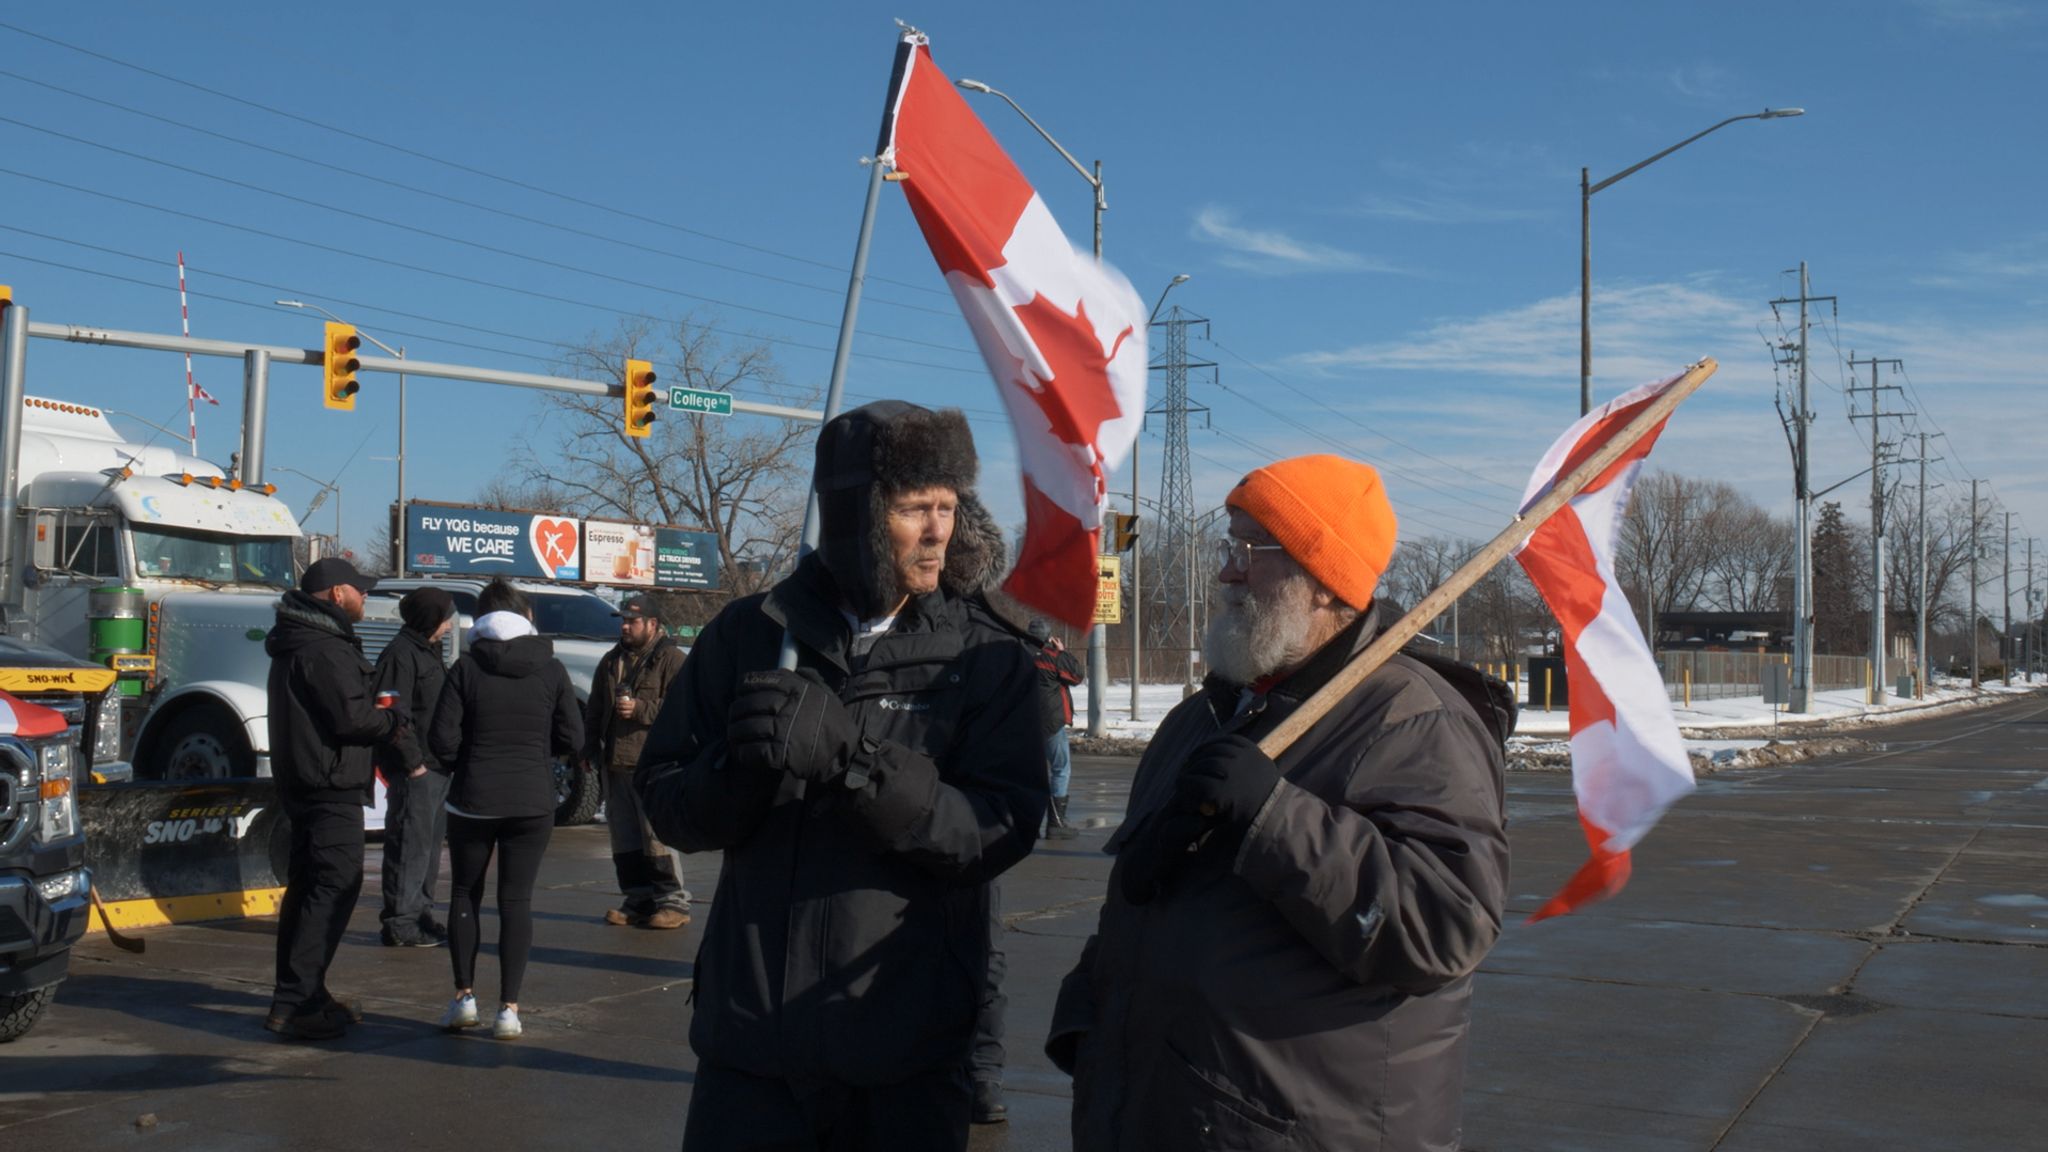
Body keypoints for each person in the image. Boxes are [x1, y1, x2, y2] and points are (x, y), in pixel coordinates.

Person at [1048, 454, 1515, 1151]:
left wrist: (1276, 819)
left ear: (1327, 583)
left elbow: (1443, 925)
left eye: (1252, 549)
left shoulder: (1415, 721)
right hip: (1158, 1111)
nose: (1227, 571)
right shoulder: (1202, 718)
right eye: (1227, 546)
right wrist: (1092, 1017)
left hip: (1295, 1127)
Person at [637, 400, 1047, 1152]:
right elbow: (666, 801)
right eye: (914, 507)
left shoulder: (983, 655)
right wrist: (741, 769)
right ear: (856, 513)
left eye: (947, 507)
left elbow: (995, 832)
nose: (936, 531)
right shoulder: (751, 633)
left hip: (902, 1054)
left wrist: (854, 764)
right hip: (750, 1048)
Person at [263, 556, 424, 1041]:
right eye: (360, 590)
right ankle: (296, 1001)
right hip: (327, 781)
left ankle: (305, 993)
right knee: (333, 883)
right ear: (337, 594)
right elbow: (351, 719)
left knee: (312, 883)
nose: (365, 598)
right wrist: (392, 722)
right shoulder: (324, 648)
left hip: (310, 777)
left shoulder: (305, 640)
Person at [428, 578, 583, 1041]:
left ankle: (463, 999)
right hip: (532, 799)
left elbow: (442, 740)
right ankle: (509, 1010)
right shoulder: (551, 669)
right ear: (525, 616)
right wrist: (539, 751)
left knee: (464, 895)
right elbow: (573, 738)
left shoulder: (465, 668)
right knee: (516, 901)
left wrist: (469, 759)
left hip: (474, 797)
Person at [584, 593, 690, 930]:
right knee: (625, 839)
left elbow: (684, 710)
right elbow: (596, 710)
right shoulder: (611, 660)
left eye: (632, 621)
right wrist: (588, 749)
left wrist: (641, 710)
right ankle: (638, 899)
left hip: (652, 764)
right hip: (614, 764)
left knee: (655, 838)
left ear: (653, 624)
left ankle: (673, 903)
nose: (626, 627)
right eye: (623, 621)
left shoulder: (672, 660)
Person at [373, 586, 456, 948]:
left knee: (429, 846)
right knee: (410, 845)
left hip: (437, 768)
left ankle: (420, 914)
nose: (451, 625)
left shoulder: (428, 651)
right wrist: (413, 764)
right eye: (446, 617)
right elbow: (391, 711)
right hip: (416, 769)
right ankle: (401, 922)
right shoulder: (400, 655)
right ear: (431, 619)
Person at [1026, 618, 1084, 841]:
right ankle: (1056, 823)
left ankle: (1026, 821)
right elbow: (1077, 675)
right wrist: (1062, 652)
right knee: (1060, 768)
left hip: (1024, 722)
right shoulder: (1052, 657)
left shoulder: (1018, 654)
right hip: (1050, 722)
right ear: (1048, 637)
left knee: (1029, 772)